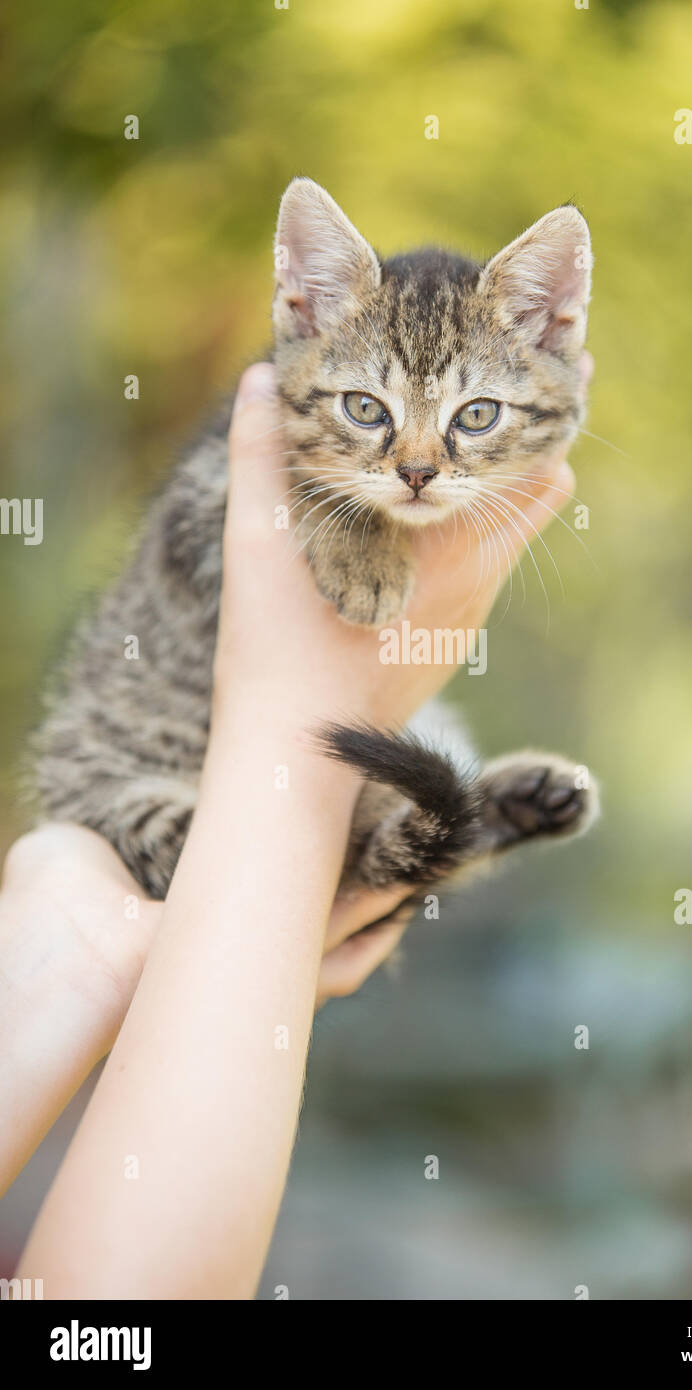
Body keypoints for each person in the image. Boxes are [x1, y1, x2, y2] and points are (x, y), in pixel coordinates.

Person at [1, 363, 574, 1297]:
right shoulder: (266, 447)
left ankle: (421, 827)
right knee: (376, 788)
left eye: (468, 417)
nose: (418, 460)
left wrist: (66, 945)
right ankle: (416, 829)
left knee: (416, 765)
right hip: (146, 777)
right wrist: (327, 573)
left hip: (143, 854)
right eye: (370, 411)